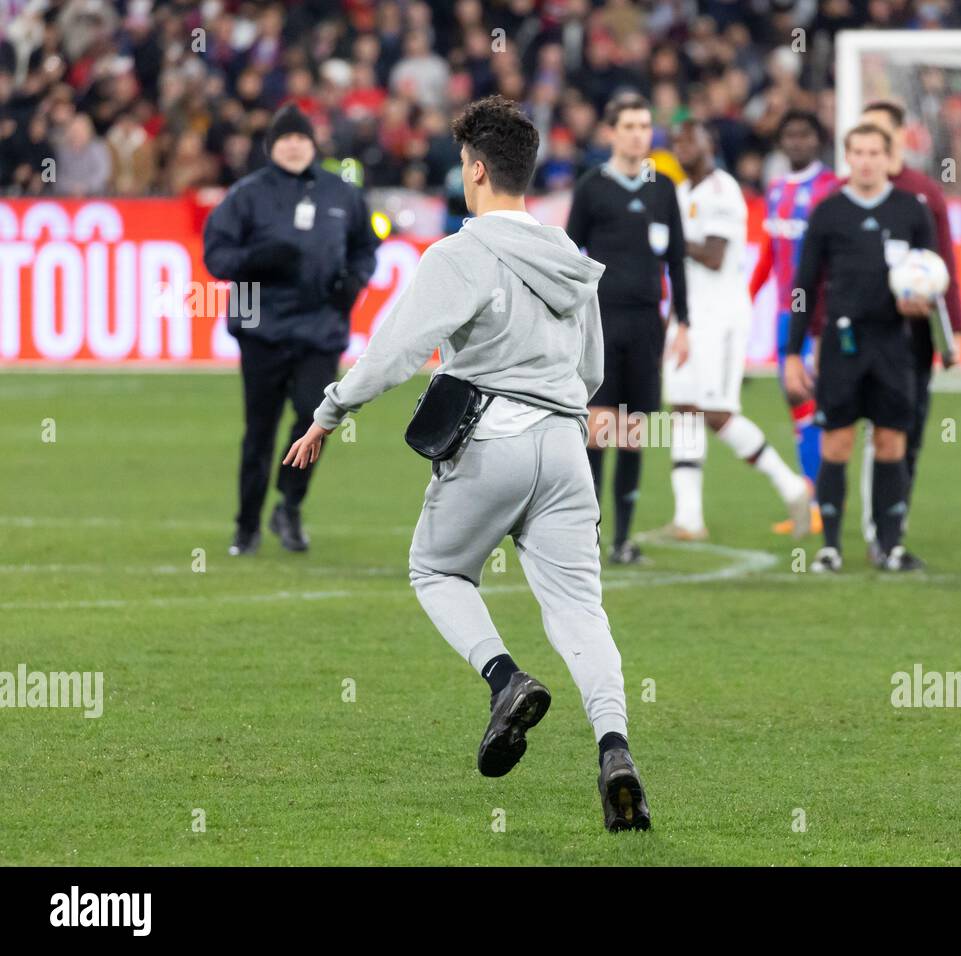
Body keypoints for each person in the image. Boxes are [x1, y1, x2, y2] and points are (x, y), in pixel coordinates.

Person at [283, 95, 650, 833]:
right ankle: (615, 749)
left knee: (437, 571)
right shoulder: (573, 261)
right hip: (565, 447)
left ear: (476, 170)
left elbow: (393, 350)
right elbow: (593, 371)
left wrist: (329, 411)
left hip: (493, 440)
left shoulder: (461, 254)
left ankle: (505, 678)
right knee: (581, 611)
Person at [204, 103, 378, 556]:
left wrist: (354, 282)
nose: (295, 145)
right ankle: (246, 525)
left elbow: (365, 246)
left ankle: (291, 504)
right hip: (260, 326)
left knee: (314, 418)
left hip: (320, 327)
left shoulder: (341, 193)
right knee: (259, 430)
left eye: (302, 138)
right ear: (271, 146)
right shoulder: (247, 194)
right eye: (285, 138)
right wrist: (256, 259)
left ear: (313, 144)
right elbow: (216, 256)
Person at [783, 122, 936, 574]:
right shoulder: (828, 212)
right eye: (858, 152)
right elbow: (804, 287)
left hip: (894, 344)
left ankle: (890, 548)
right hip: (842, 343)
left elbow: (931, 276)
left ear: (890, 157)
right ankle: (830, 547)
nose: (866, 160)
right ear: (847, 158)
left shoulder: (912, 210)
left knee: (891, 442)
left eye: (875, 152)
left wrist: (926, 314)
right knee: (837, 442)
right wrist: (792, 352)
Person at [660, 119, 811, 540]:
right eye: (677, 140)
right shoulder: (681, 192)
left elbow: (711, 255)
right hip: (690, 316)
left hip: (721, 317)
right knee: (684, 411)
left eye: (692, 137)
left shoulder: (722, 190)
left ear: (711, 142)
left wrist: (664, 238)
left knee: (716, 412)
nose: (683, 145)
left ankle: (792, 485)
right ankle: (689, 518)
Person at [566, 92, 690, 565]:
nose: (640, 133)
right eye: (631, 125)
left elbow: (676, 259)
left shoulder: (663, 188)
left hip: (647, 323)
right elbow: (568, 254)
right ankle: (589, 535)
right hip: (600, 321)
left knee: (634, 431)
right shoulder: (592, 187)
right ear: (611, 132)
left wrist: (685, 324)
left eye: (645, 125)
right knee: (599, 429)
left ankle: (623, 538)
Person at [857, 100, 961, 556]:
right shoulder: (847, 194)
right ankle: (874, 527)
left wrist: (953, 330)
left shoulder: (923, 193)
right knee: (872, 433)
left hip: (915, 338)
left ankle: (894, 521)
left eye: (880, 134)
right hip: (863, 335)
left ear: (899, 137)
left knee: (911, 433)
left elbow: (946, 266)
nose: (871, 149)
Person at [749, 109, 842, 535]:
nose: (797, 142)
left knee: (820, 403)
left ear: (817, 141)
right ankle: (816, 500)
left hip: (821, 317)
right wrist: (748, 296)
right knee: (798, 404)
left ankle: (827, 499)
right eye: (790, 135)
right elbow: (770, 250)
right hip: (787, 314)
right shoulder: (778, 190)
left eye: (805, 134)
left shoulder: (831, 189)